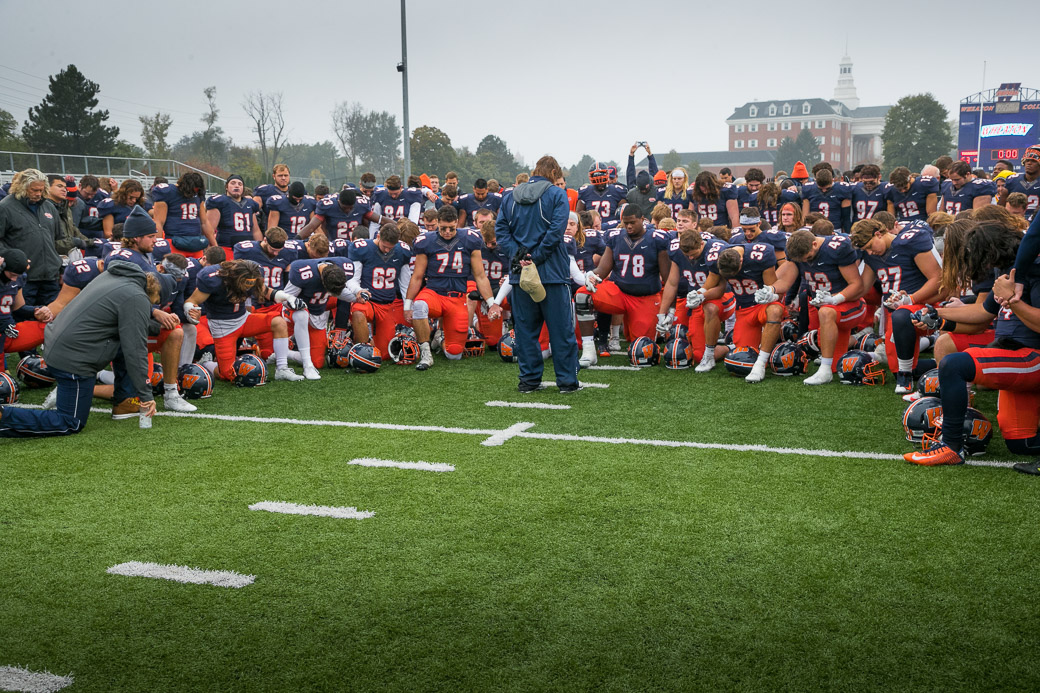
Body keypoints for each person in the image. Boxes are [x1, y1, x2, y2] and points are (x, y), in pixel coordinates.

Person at [0, 259, 160, 437]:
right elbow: (135, 351)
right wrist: (146, 396)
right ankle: (5, 415)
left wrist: (154, 324)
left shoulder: (113, 276)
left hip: (59, 345)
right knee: (71, 422)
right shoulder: (135, 296)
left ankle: (123, 402)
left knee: (122, 347)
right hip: (73, 359)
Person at [494, 155, 579, 393]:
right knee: (561, 332)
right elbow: (556, 230)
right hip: (551, 273)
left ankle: (528, 381)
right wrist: (537, 256)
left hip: (520, 274)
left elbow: (500, 230)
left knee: (525, 331)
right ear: (553, 173)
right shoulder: (557, 194)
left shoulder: (510, 196)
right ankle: (567, 383)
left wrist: (518, 254)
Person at [574, 204, 669, 366]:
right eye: (626, 223)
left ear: (642, 220)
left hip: (645, 298)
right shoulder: (616, 237)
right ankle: (589, 350)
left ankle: (629, 332)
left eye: (632, 222)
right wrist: (592, 276)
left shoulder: (657, 239)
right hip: (618, 293)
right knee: (583, 295)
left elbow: (668, 278)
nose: (629, 226)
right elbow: (603, 269)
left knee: (641, 351)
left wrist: (668, 309)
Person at [404, 205, 497, 370]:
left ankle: (440, 337)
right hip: (434, 293)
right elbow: (417, 276)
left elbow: (480, 276)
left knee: (454, 354)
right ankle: (426, 354)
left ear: (457, 223)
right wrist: (407, 304)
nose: (447, 231)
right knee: (419, 305)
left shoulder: (470, 238)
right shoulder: (426, 241)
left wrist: (491, 303)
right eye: (443, 228)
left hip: (457, 298)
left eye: (451, 228)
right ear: (437, 223)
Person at [774, 230, 865, 384]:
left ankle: (825, 370)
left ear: (814, 244)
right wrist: (771, 290)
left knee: (826, 312)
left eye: (808, 257)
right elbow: (786, 281)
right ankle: (857, 348)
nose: (807, 262)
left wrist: (835, 299)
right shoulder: (796, 250)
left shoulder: (837, 248)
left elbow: (857, 285)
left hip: (851, 305)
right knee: (838, 364)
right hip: (827, 310)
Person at [0, 169, 65, 305]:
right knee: (24, 319)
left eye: (41, 190)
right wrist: (13, 259)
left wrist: (60, 268)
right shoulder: (5, 207)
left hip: (50, 277)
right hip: (23, 277)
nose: (38, 194)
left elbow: (57, 240)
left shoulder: (49, 207)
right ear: (22, 187)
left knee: (51, 319)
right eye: (34, 190)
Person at [349, 221, 413, 357]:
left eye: (391, 248)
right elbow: (352, 278)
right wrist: (358, 291)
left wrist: (408, 306)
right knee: (358, 312)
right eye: (385, 246)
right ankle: (362, 352)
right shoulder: (362, 248)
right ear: (378, 236)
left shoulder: (402, 251)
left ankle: (368, 340)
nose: (387, 250)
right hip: (369, 302)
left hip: (388, 305)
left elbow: (405, 284)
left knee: (384, 354)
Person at [151, 172, 216, 258]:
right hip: (174, 242)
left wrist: (215, 246)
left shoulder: (198, 195)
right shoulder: (167, 192)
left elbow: (204, 222)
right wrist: (160, 246)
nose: (194, 192)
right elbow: (159, 222)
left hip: (196, 243)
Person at [207, 174, 262, 259]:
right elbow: (209, 230)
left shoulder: (250, 204)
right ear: (226, 187)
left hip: (248, 249)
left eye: (240, 184)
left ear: (243, 188)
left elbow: (256, 230)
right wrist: (216, 250)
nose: (236, 186)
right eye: (233, 183)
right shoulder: (220, 201)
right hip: (227, 248)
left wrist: (260, 249)